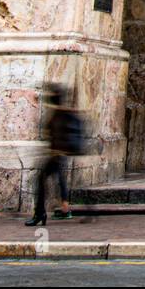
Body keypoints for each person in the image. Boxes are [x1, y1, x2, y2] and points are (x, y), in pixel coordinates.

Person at [26, 85, 83, 227]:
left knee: (42, 179)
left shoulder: (61, 115)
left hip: (57, 154)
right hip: (56, 154)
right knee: (55, 178)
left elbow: (54, 133)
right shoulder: (60, 113)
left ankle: (41, 213)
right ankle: (62, 207)